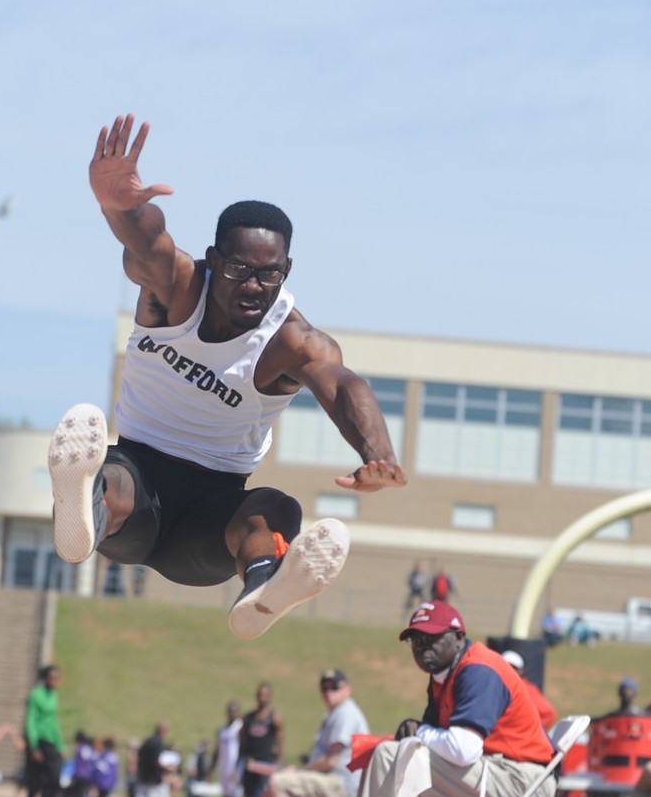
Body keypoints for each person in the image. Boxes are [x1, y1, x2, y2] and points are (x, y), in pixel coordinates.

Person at [47, 114, 407, 640]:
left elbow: (344, 386)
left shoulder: (293, 341)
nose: (255, 286)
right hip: (139, 477)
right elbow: (149, 242)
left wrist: (378, 455)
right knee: (116, 479)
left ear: (287, 270)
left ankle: (262, 588)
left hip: (212, 518)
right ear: (215, 261)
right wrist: (117, 206)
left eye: (271, 273)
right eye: (240, 269)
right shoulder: (178, 289)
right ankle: (84, 511)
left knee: (277, 507)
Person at [323, 602, 556, 797]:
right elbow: (432, 738)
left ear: (458, 637)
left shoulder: (479, 670)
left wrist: (419, 734)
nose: (422, 647)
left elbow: (463, 749)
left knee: (394, 756)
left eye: (431, 638)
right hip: (500, 771)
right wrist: (418, 733)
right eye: (415, 640)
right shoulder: (444, 675)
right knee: (388, 756)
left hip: (523, 780)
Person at [265, 668, 369, 797]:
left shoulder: (345, 713)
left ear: (347, 689)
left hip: (341, 783)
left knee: (276, 784)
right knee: (275, 795)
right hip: (334, 780)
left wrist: (299, 771)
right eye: (324, 688)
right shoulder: (334, 713)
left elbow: (331, 760)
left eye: (334, 687)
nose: (328, 692)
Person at [23, 664, 63, 797]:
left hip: (51, 743)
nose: (56, 681)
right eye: (53, 678)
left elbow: (53, 721)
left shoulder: (54, 695)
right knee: (34, 784)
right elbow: (31, 720)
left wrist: (60, 745)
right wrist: (33, 746)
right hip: (38, 742)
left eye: (58, 678)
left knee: (55, 781)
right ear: (45, 678)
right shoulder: (36, 695)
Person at [239, 681, 283, 797]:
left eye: (265, 695)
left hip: (267, 764)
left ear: (270, 697)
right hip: (251, 764)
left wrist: (277, 762)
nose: (262, 698)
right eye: (260, 695)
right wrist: (241, 760)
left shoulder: (274, 718)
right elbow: (242, 740)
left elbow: (279, 741)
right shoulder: (248, 718)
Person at [499, 650, 557, 728]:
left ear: (520, 671)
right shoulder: (499, 686)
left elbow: (548, 714)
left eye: (513, 667)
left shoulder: (526, 688)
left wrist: (529, 731)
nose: (508, 670)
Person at [214, 699, 244, 797]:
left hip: (235, 770)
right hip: (224, 769)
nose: (232, 713)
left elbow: (243, 749)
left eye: (235, 710)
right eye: (230, 710)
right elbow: (217, 750)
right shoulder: (222, 729)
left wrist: (238, 768)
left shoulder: (240, 728)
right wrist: (211, 768)